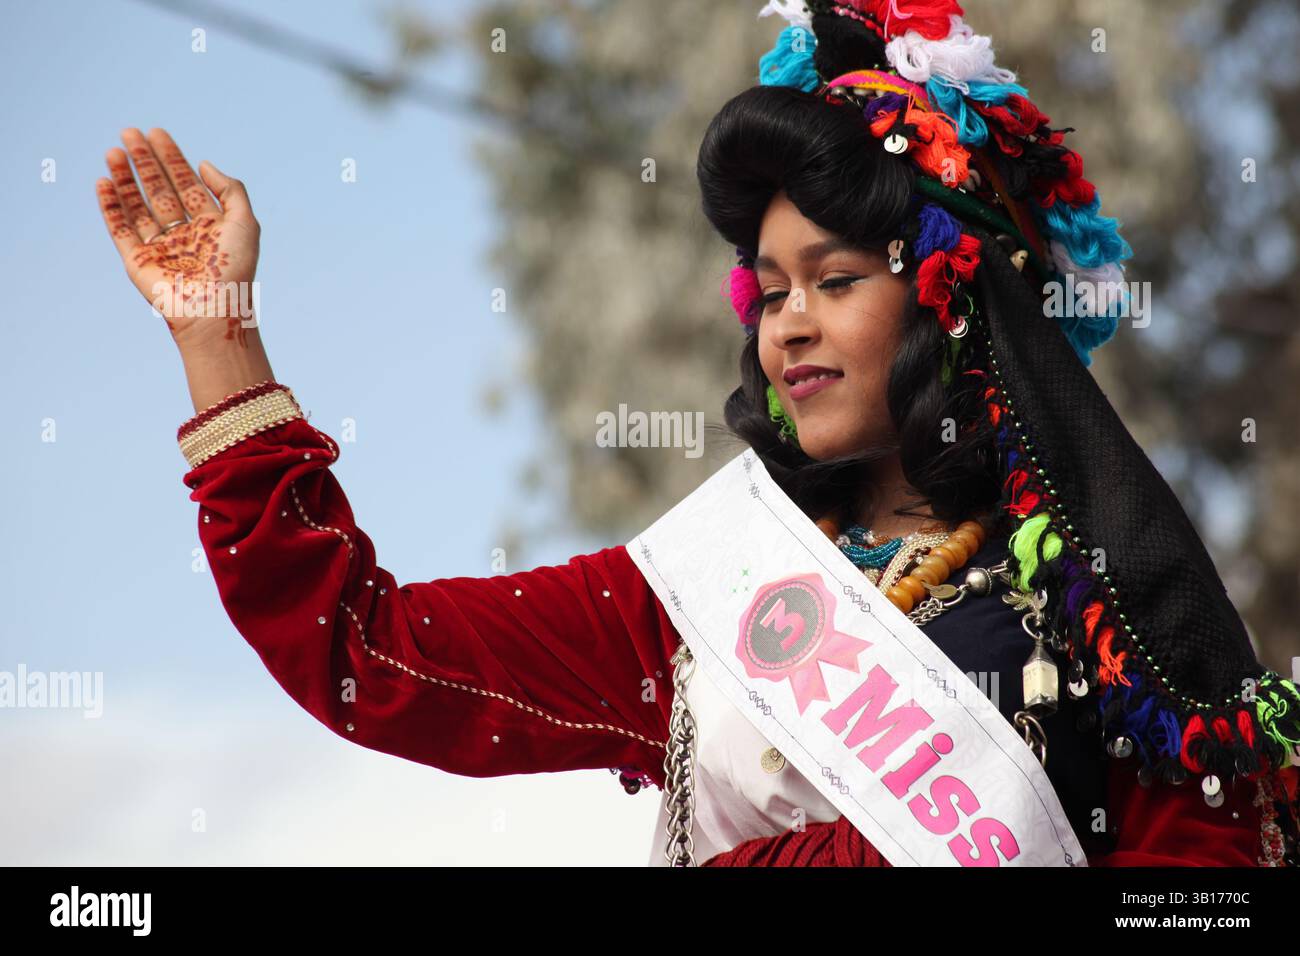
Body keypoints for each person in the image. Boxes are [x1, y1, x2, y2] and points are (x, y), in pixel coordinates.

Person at [95, 0, 1299, 867]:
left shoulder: (1118, 627)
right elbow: (367, 654)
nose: (789, 326)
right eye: (771, 290)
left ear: (944, 295)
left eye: (833, 279)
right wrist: (216, 333)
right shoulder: (696, 597)